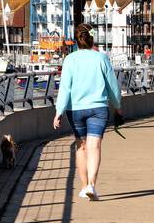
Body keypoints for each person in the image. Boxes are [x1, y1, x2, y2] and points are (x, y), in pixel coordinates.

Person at [52, 24, 122, 201]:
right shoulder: (101, 58)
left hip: (75, 109)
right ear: (92, 39)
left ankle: (84, 187)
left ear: (76, 41)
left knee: (81, 147)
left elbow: (65, 88)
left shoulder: (70, 60)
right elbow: (112, 86)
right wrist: (117, 106)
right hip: (98, 107)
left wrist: (59, 111)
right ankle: (92, 184)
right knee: (94, 146)